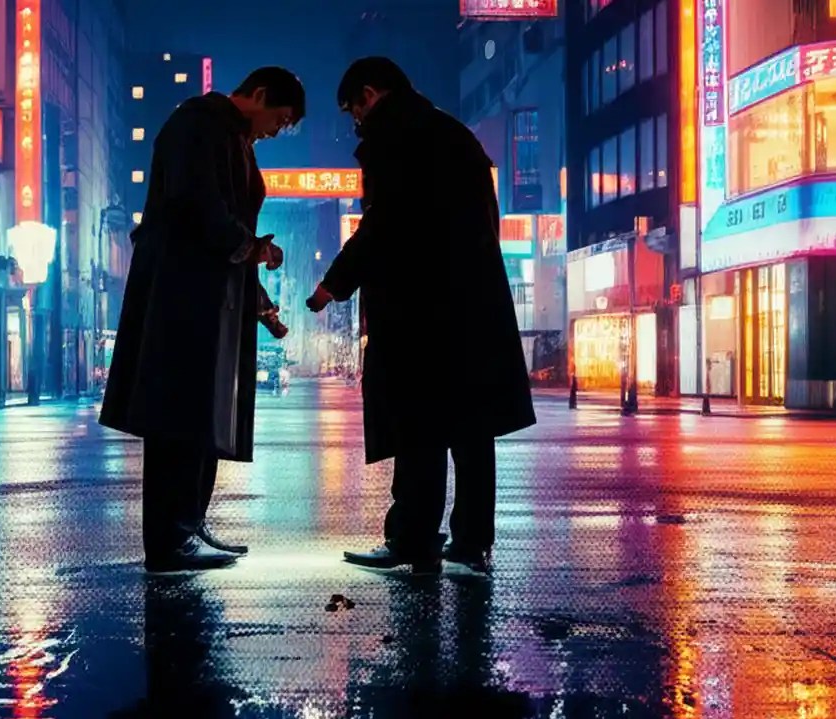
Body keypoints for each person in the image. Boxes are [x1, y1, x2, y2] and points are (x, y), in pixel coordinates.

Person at [307, 57, 535, 574]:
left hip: (418, 305)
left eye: (354, 111)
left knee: (417, 426)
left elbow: (383, 223)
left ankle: (413, 536)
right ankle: (471, 541)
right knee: (470, 430)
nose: (356, 124)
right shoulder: (454, 134)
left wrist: (333, 285)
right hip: (471, 302)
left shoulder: (395, 138)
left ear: (370, 94)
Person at [100, 66, 305, 573]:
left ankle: (189, 524)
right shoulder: (197, 123)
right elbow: (198, 204)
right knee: (179, 413)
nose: (277, 131)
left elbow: (225, 219)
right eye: (279, 119)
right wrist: (250, 248)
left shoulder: (230, 135)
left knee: (205, 412)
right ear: (258, 96)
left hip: (210, 292)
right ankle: (170, 539)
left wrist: (256, 293)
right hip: (182, 293)